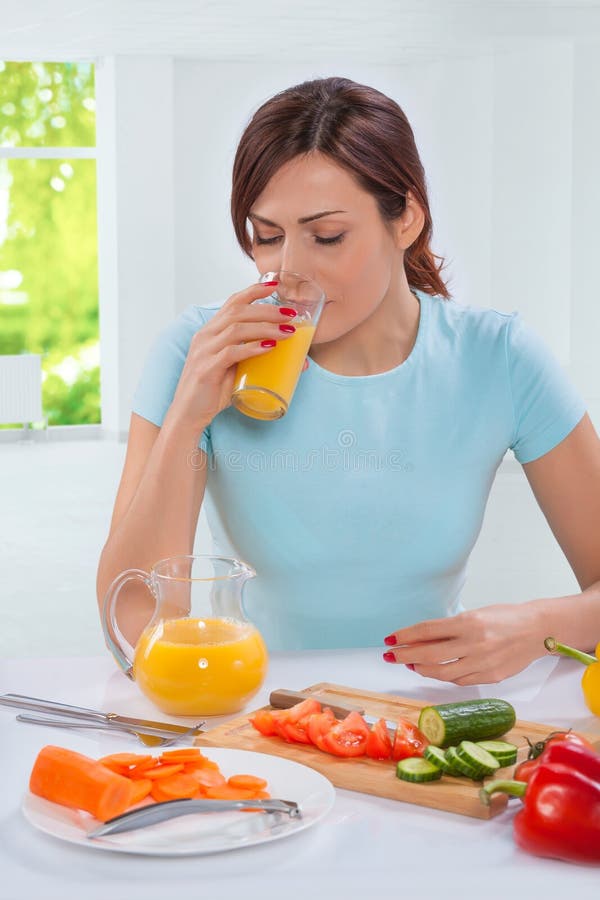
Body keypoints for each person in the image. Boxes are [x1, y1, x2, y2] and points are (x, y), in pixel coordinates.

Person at [97, 76, 600, 685]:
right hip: (263, 711)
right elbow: (132, 630)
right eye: (268, 237)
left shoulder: (499, 357)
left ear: (406, 218)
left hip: (426, 714)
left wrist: (537, 625)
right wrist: (188, 413)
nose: (289, 272)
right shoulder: (201, 351)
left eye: (327, 237)